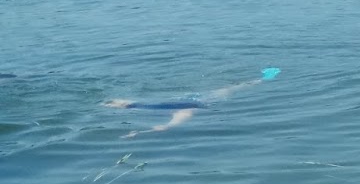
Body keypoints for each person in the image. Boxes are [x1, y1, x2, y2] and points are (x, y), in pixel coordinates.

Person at [105, 68, 278, 138]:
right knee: (227, 89)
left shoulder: (185, 112)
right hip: (192, 98)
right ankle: (262, 79)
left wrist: (139, 133)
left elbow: (165, 127)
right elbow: (165, 126)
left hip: (197, 101)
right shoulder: (135, 105)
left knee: (227, 90)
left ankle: (263, 79)